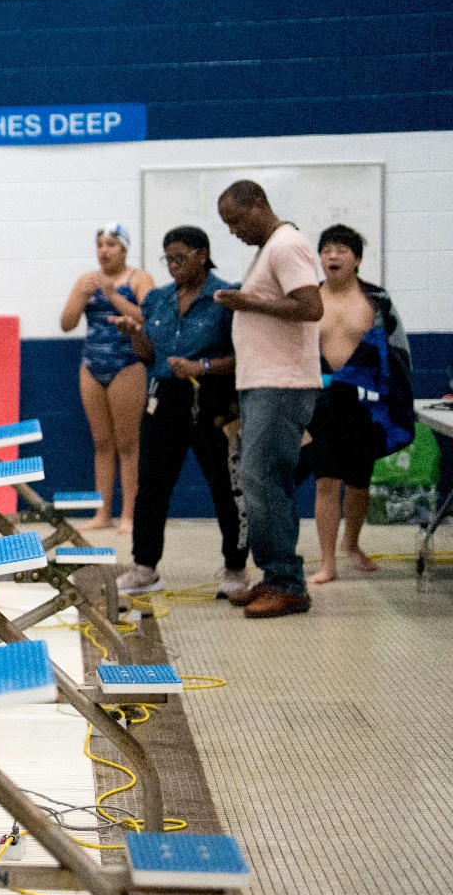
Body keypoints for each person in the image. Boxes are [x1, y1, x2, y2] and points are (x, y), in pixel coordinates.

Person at [113, 227, 246, 597]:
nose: (173, 266)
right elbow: (149, 356)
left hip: (213, 398)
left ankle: (235, 568)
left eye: (180, 258)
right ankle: (145, 567)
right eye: (167, 259)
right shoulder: (157, 300)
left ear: (202, 255)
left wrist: (200, 368)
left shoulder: (225, 298)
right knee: (152, 484)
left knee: (225, 484)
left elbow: (243, 358)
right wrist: (135, 335)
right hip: (165, 396)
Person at [213, 180, 324, 618]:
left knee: (262, 482)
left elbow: (311, 307)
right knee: (265, 483)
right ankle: (277, 574)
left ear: (259, 204)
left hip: (283, 385)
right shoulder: (271, 248)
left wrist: (249, 302)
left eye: (237, 220)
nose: (234, 231)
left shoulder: (286, 244)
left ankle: (287, 584)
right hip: (265, 384)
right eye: (227, 224)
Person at [298, 223, 414, 583]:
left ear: (357, 259)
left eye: (341, 250)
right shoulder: (307, 299)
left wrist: (396, 404)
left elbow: (398, 354)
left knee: (359, 481)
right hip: (322, 399)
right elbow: (292, 354)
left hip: (365, 401)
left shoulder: (377, 300)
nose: (332, 256)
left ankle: (352, 544)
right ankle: (328, 562)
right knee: (326, 481)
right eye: (326, 250)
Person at [59, 223, 155, 533]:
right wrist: (81, 296)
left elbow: (148, 317)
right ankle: (103, 514)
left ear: (124, 249)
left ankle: (130, 514)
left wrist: (112, 295)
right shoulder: (87, 280)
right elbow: (66, 324)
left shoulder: (139, 279)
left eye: (111, 244)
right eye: (100, 244)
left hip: (127, 364)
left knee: (128, 443)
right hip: (91, 365)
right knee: (102, 443)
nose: (104, 250)